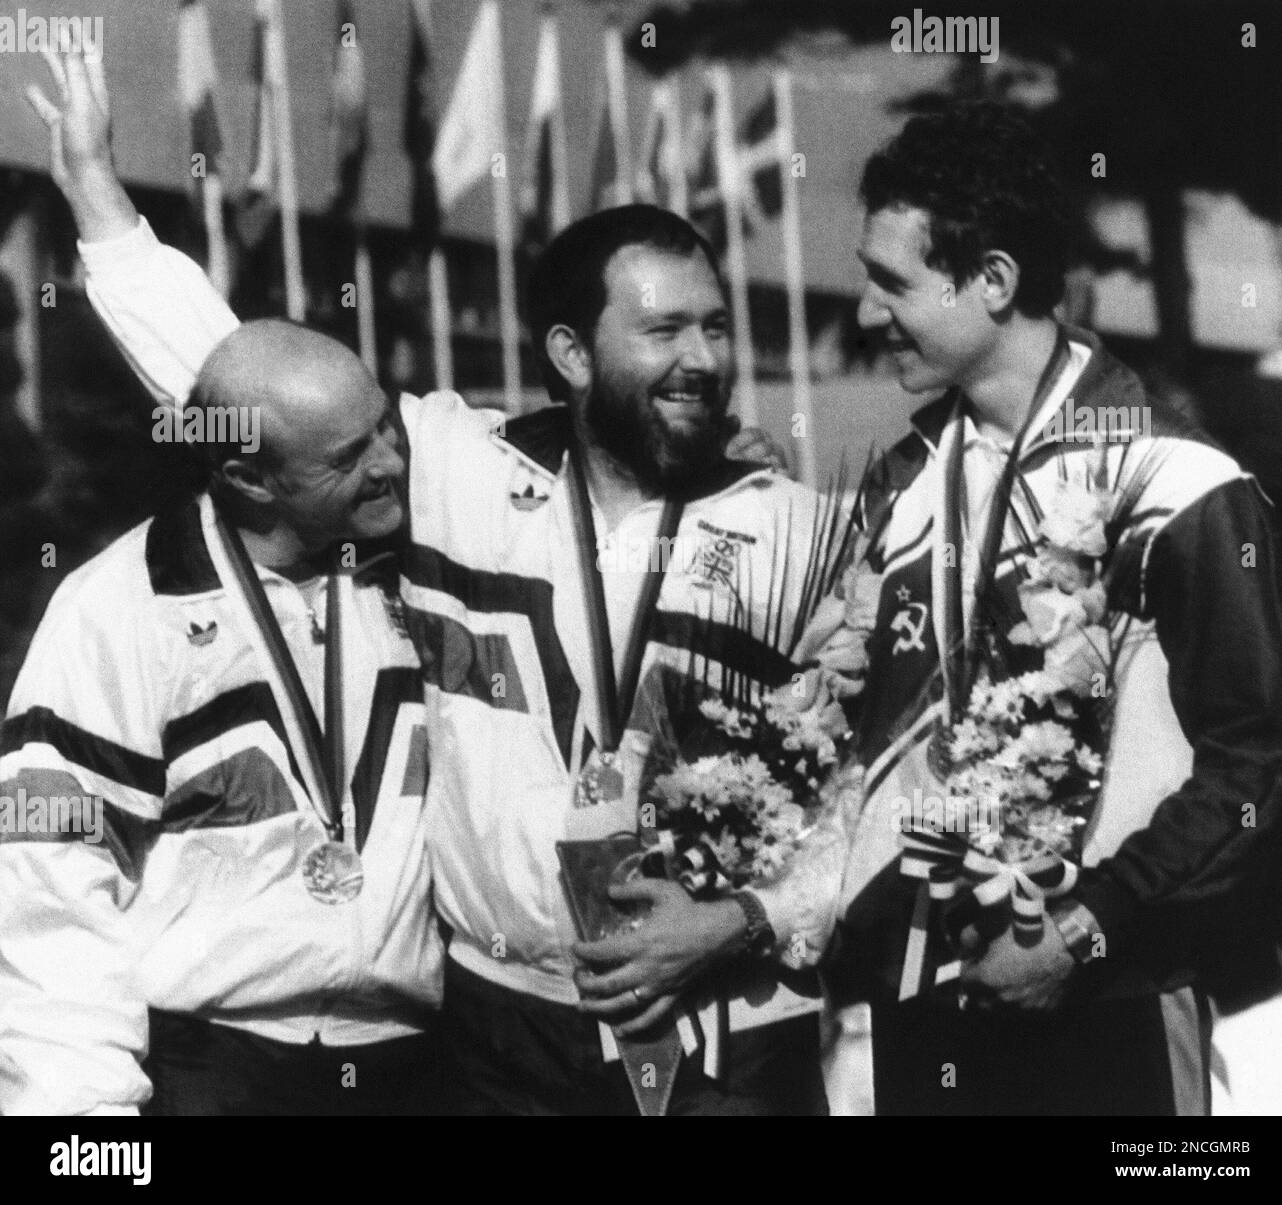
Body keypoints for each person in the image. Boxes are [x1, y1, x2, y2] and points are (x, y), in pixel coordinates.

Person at [27, 46, 827, 1115]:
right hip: (498, 1040)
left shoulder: (793, 527)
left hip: (727, 1028)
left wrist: (750, 917)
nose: (705, 358)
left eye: (718, 326)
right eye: (665, 329)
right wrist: (98, 199)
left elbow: (874, 785)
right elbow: (251, 388)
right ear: (572, 353)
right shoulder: (455, 470)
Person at [790, 101, 1282, 1115]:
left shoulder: (1173, 478)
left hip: (1111, 996)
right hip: (924, 1007)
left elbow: (1261, 758)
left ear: (993, 280)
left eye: (891, 281)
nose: (863, 311)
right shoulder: (898, 485)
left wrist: (1090, 923)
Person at [0, 317, 444, 1115]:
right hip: (210, 1073)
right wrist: (84, 1130)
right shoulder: (119, 607)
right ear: (249, 478)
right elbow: (46, 888)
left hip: (418, 1069)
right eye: (350, 456)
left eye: (385, 426)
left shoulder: (428, 568)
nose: (392, 464)